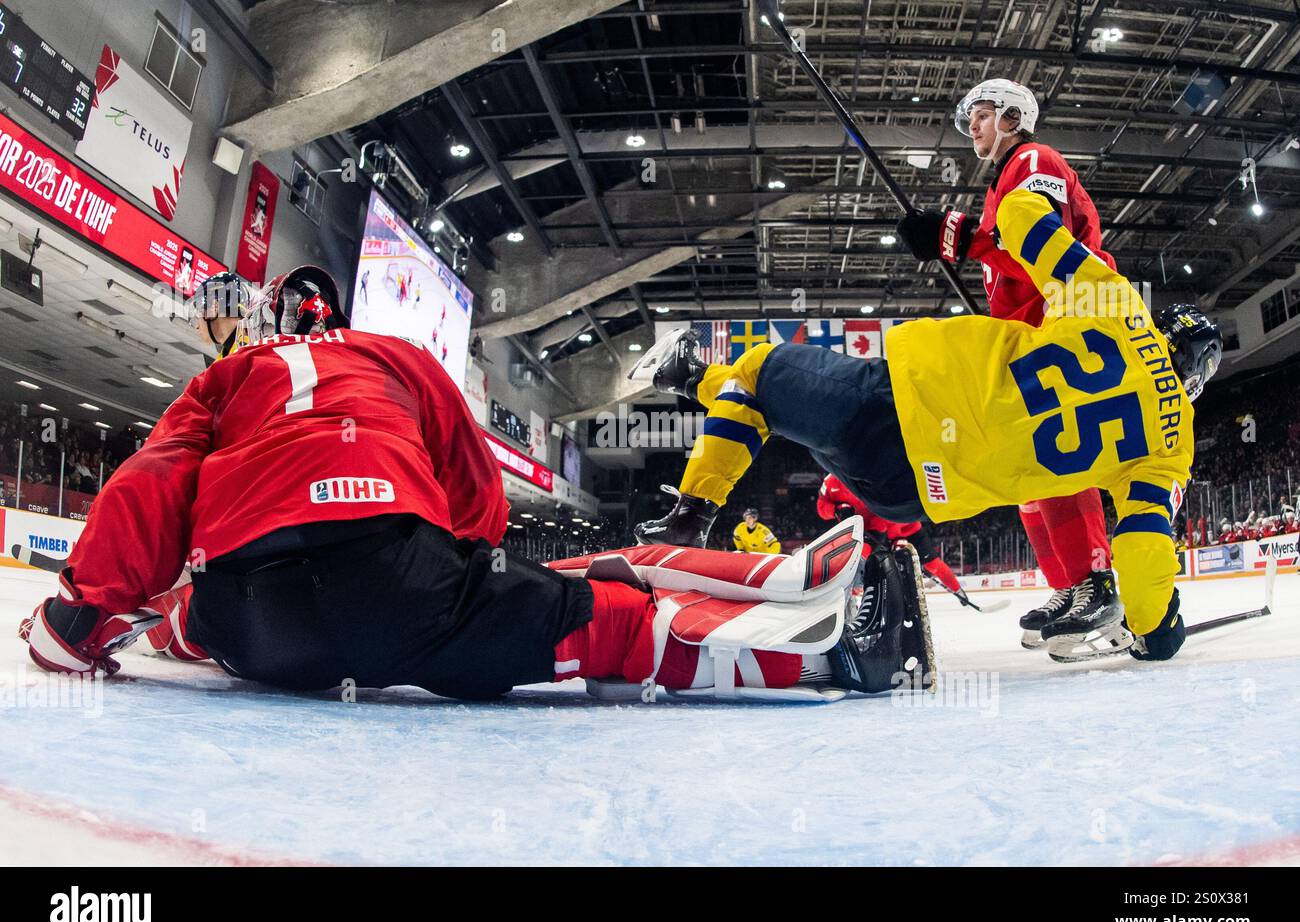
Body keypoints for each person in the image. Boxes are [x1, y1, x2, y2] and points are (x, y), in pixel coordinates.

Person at [18, 266, 930, 703]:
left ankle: (815, 638)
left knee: (194, 614)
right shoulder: (397, 355)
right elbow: (473, 494)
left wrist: (78, 618)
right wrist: (470, 568)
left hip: (252, 625)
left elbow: (150, 484)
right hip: (393, 581)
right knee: (601, 615)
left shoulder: (224, 379)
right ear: (341, 314)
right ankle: (832, 657)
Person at [631, 189, 1223, 664]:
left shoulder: (1117, 306)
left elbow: (1022, 217)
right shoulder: (1172, 444)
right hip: (915, 492)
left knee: (756, 375)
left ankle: (690, 515)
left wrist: (996, 217)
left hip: (900, 405)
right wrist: (1157, 626)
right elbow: (1143, 544)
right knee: (765, 401)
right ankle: (693, 381)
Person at [896, 79, 1118, 650]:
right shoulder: (1001, 183)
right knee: (1030, 473)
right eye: (970, 117)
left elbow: (1043, 241)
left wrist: (954, 235)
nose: (972, 125)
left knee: (1060, 456)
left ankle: (1097, 582)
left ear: (1016, 116)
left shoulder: (1033, 159)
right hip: (1028, 331)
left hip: (1064, 323)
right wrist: (959, 238)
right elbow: (1006, 253)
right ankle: (1070, 586)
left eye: (984, 114)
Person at [817, 473, 971, 607]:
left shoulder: (871, 476)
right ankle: (852, 595)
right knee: (859, 559)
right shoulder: (830, 482)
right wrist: (835, 510)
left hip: (906, 526)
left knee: (932, 563)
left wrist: (897, 537)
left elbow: (889, 510)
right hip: (867, 527)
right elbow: (821, 508)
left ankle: (958, 591)